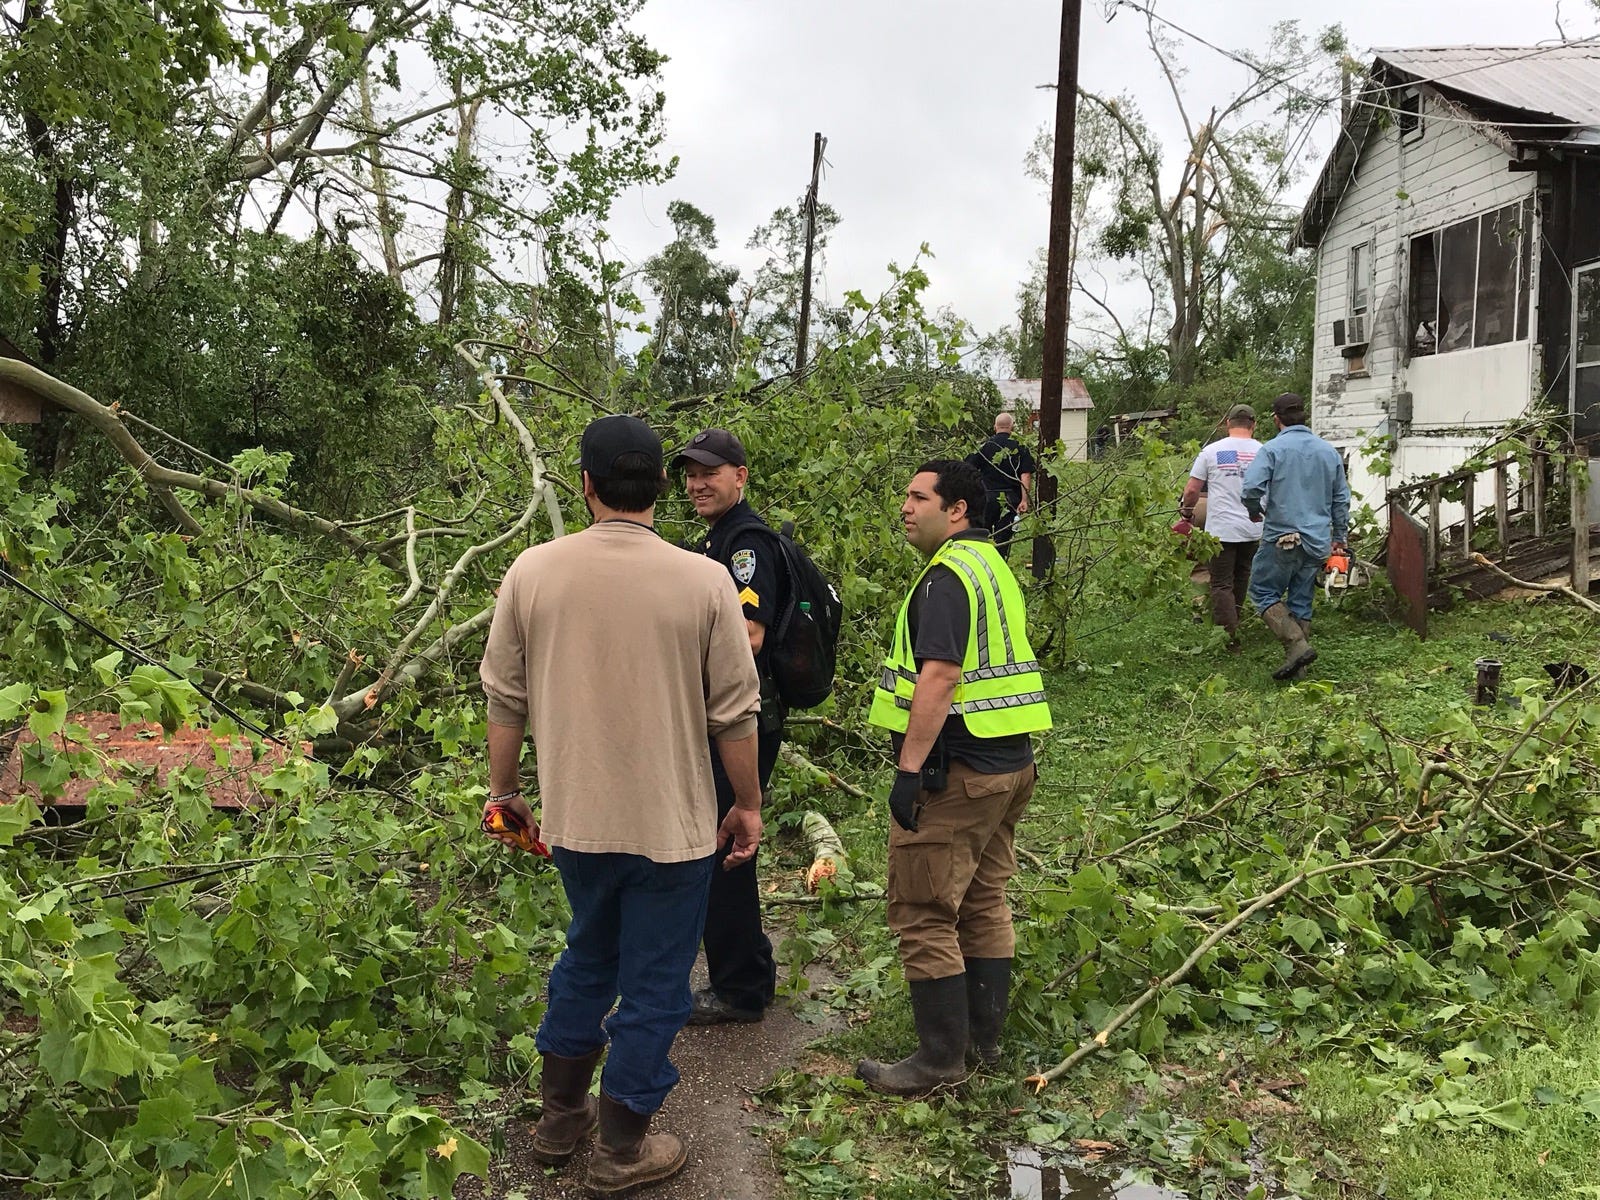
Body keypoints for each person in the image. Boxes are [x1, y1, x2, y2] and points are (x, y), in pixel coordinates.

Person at [479, 415, 764, 1194]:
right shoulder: (705, 580)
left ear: (586, 483)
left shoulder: (531, 572)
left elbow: (505, 698)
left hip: (577, 818)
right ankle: (622, 1148)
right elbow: (736, 712)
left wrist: (505, 794)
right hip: (672, 829)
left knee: (587, 955)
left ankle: (560, 1117)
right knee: (655, 985)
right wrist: (747, 804)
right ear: (663, 487)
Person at [858, 458, 1053, 1096]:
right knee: (983, 900)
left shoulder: (945, 580)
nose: (906, 507)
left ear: (957, 510)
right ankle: (983, 1043)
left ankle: (940, 1060)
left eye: (918, 497)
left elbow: (938, 678)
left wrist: (908, 771)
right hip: (1010, 767)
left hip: (958, 774)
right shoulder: (991, 565)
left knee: (922, 909)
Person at [672, 427, 787, 1026]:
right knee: (726, 846)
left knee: (725, 848)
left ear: (740, 475)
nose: (696, 483)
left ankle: (739, 989)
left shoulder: (745, 544)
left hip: (742, 720)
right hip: (733, 717)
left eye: (710, 472)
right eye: (691, 473)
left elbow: (749, 635)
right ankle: (753, 973)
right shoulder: (720, 537)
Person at [1241, 393, 1351, 680]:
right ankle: (1298, 671)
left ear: (1276, 419)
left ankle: (1296, 644)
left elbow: (1251, 488)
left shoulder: (1272, 450)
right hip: (1317, 541)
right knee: (1301, 600)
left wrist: (1255, 511)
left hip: (1282, 537)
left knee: (1262, 592)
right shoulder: (1328, 452)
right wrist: (1339, 535)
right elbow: (1341, 498)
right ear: (1304, 417)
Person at [1179, 404, 1263, 651]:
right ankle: (1234, 621)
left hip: (1222, 529)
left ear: (1227, 423)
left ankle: (1228, 637)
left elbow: (1192, 489)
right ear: (1253, 424)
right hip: (1253, 526)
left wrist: (1186, 510)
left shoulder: (1213, 451)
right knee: (1242, 576)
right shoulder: (1264, 452)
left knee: (1221, 582)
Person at [966, 412, 1035, 560]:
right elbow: (1026, 475)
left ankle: (982, 564)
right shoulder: (1020, 446)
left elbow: (968, 469)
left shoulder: (984, 446)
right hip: (1011, 499)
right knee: (1002, 539)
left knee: (982, 536)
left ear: (994, 427)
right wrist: (1024, 500)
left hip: (987, 498)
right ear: (1012, 427)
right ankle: (999, 563)